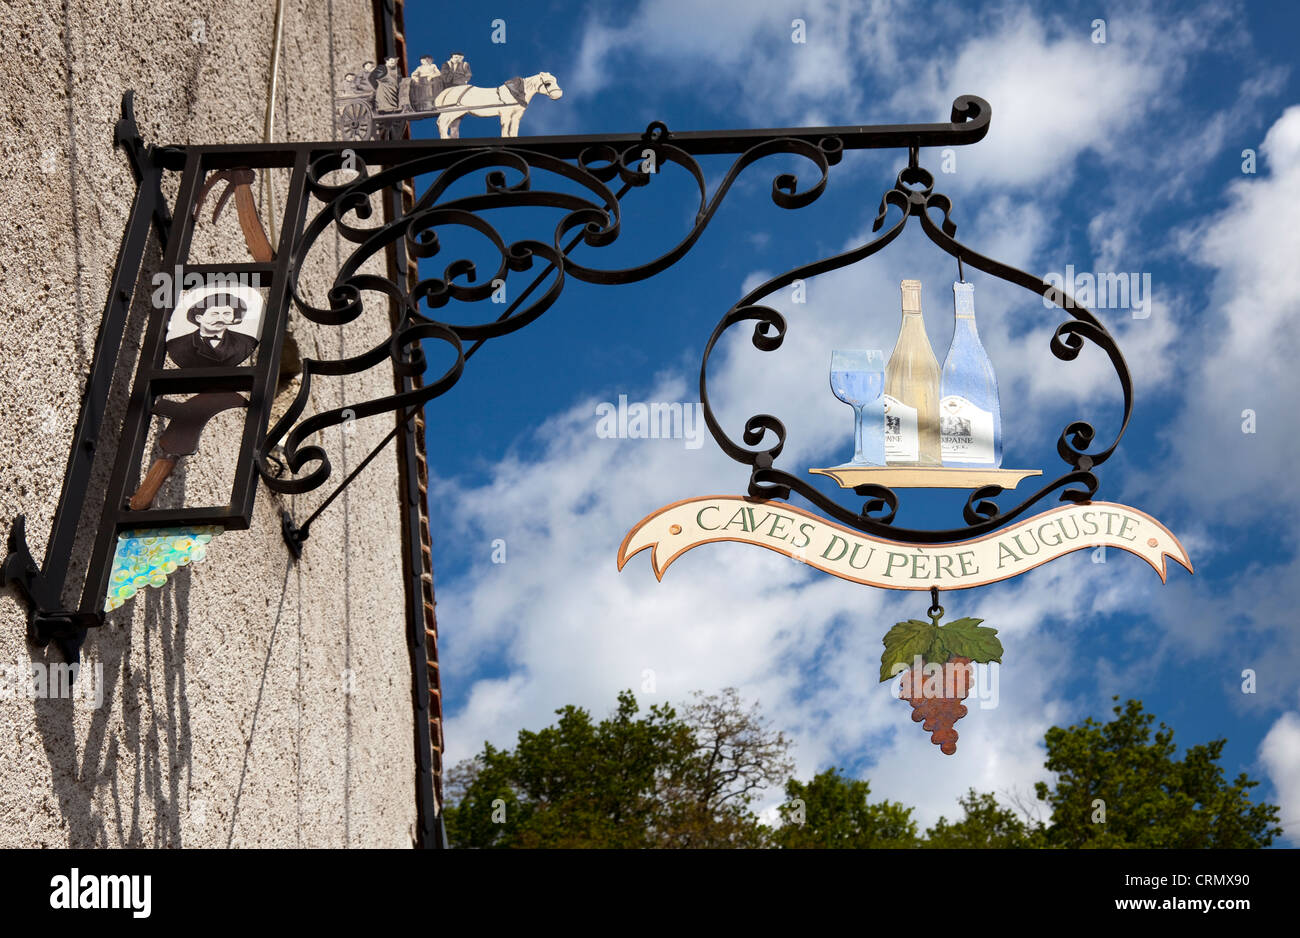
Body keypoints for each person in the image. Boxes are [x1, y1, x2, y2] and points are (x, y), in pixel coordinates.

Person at [167, 292, 258, 368]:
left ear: (233, 318)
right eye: (214, 314)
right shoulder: (176, 345)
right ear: (199, 318)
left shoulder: (247, 343)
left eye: (226, 314)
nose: (220, 319)